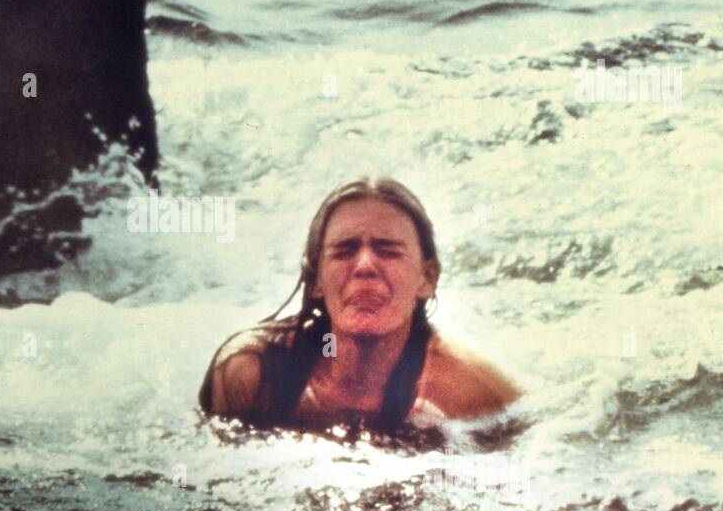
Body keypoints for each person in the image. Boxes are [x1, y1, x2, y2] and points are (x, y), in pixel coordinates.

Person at [198, 177, 522, 436]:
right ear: (316, 281)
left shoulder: (472, 391)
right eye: (344, 250)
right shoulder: (254, 373)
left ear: (426, 277)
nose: (365, 265)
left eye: (388, 250)